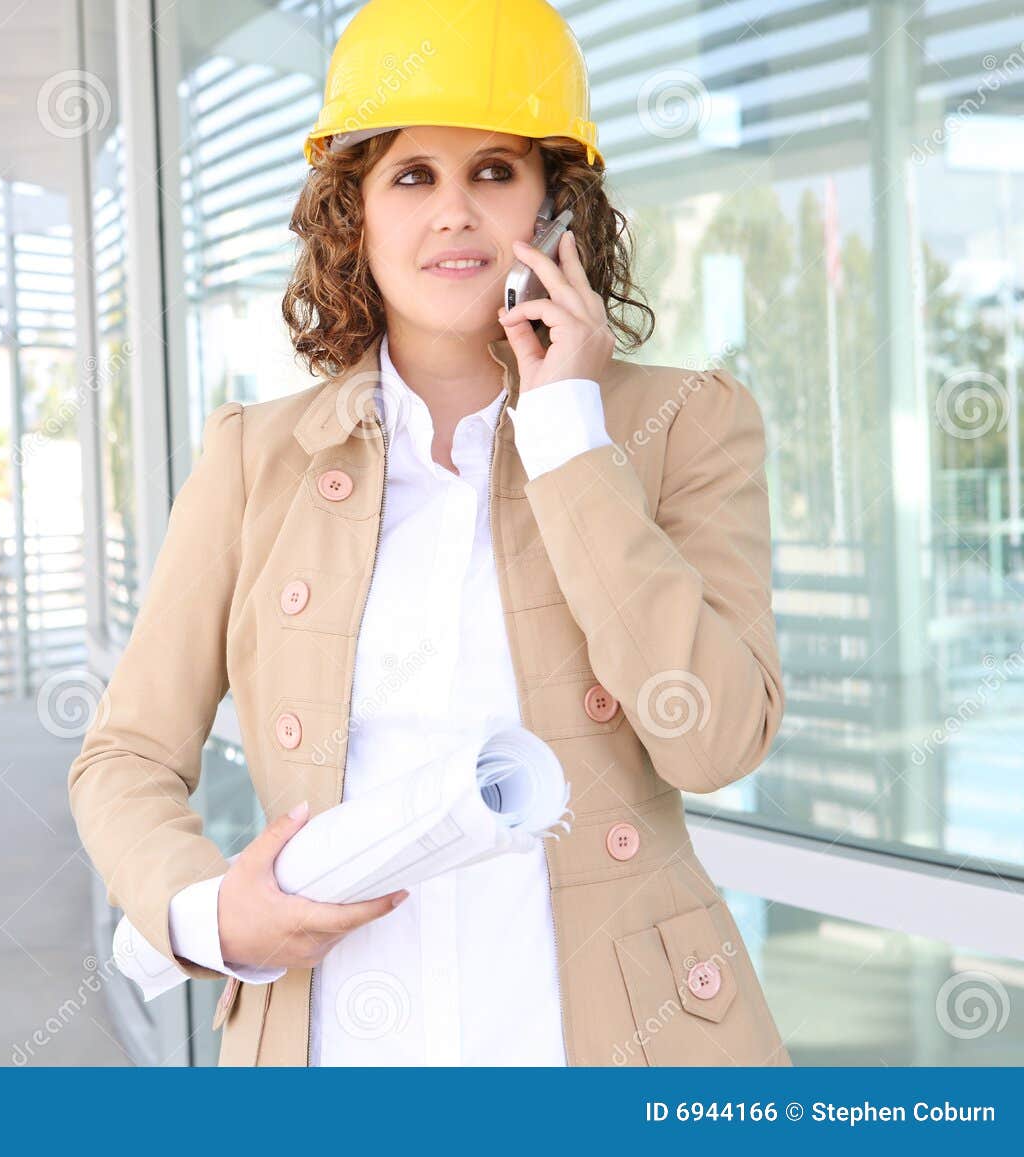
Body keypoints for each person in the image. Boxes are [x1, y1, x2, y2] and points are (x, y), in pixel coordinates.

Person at [67, 0, 791, 1067]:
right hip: (335, 1044)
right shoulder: (254, 459)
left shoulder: (682, 422)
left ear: (558, 211)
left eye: (494, 171)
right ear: (351, 216)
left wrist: (568, 432)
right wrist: (206, 910)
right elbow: (126, 754)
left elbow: (713, 741)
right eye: (412, 176)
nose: (454, 211)